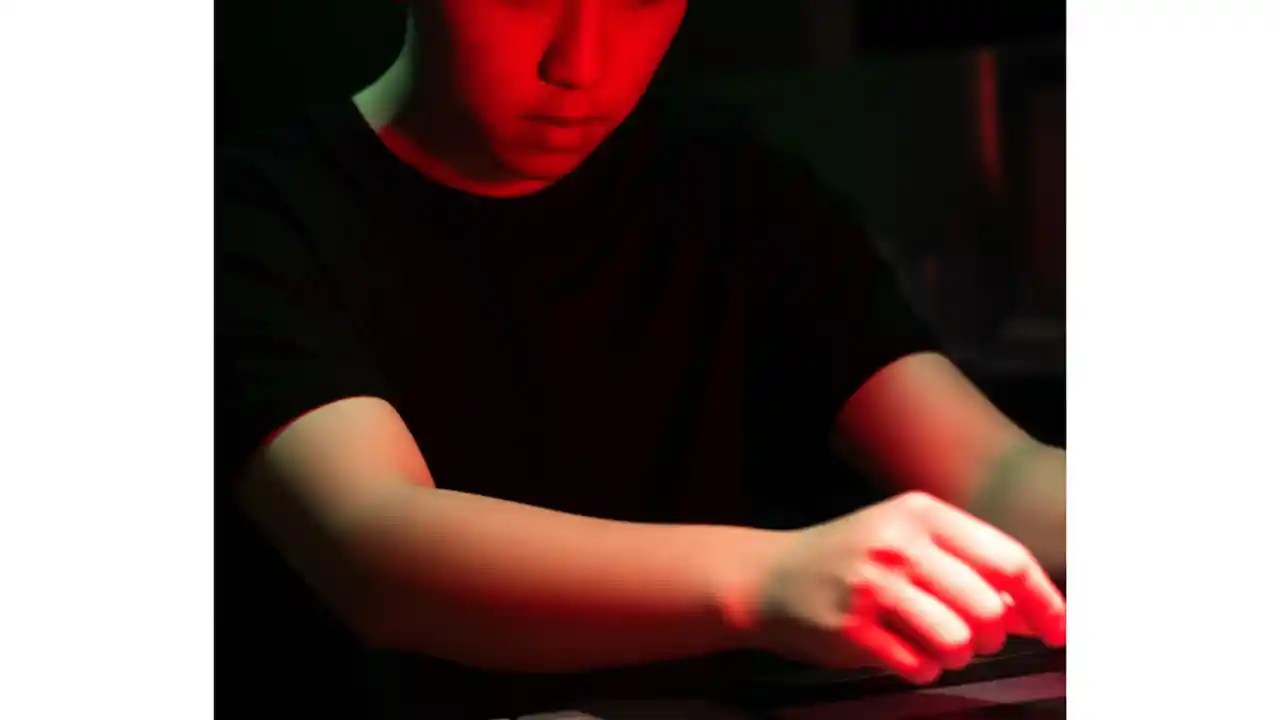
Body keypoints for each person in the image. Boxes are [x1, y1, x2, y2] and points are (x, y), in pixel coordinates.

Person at [215, 1, 1067, 717]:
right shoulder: (253, 218)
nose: (579, 65)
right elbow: (375, 546)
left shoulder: (732, 188)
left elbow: (992, 471)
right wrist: (772, 577)